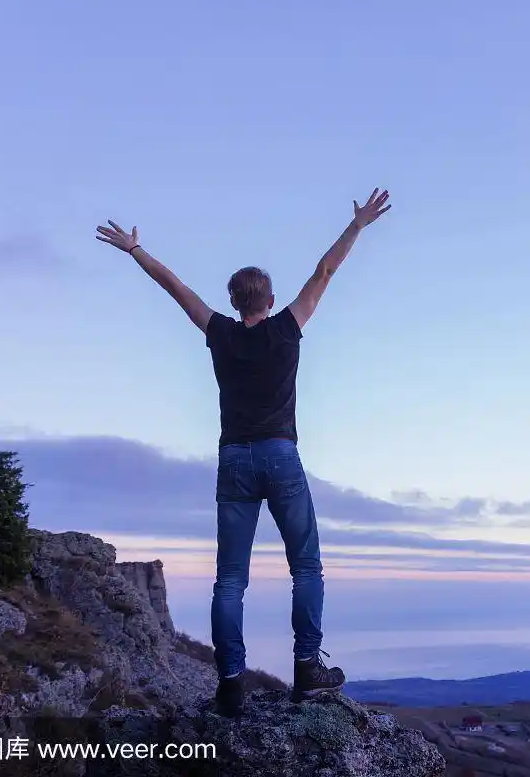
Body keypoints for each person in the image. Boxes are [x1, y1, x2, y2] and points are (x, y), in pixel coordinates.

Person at [95, 188, 392, 718]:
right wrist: (357, 226)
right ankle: (307, 668)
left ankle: (230, 684)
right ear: (270, 299)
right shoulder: (288, 327)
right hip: (280, 455)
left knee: (230, 579)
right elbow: (324, 272)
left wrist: (136, 250)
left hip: (234, 459)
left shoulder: (220, 332)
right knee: (306, 568)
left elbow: (176, 288)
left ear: (234, 302)